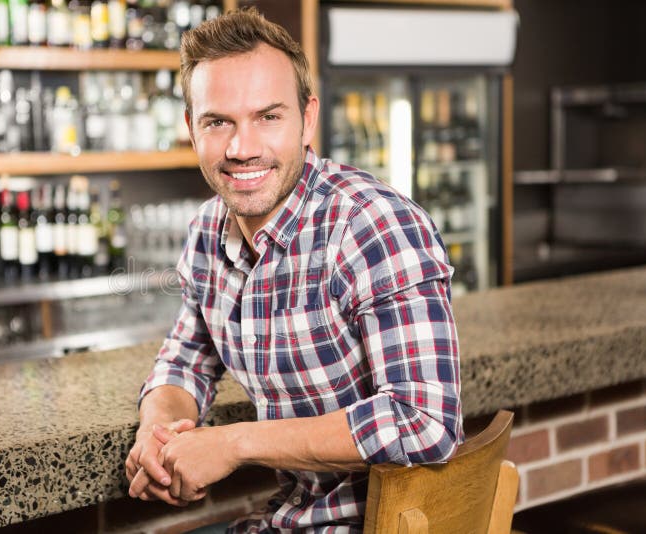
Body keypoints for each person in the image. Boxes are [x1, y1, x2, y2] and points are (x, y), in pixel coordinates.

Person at [125, 8, 462, 533]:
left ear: (308, 119)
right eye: (218, 122)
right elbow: (185, 362)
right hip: (287, 519)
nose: (242, 148)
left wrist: (235, 444)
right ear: (191, 129)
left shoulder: (371, 226)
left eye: (268, 117)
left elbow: (424, 422)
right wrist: (157, 433)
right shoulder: (207, 231)